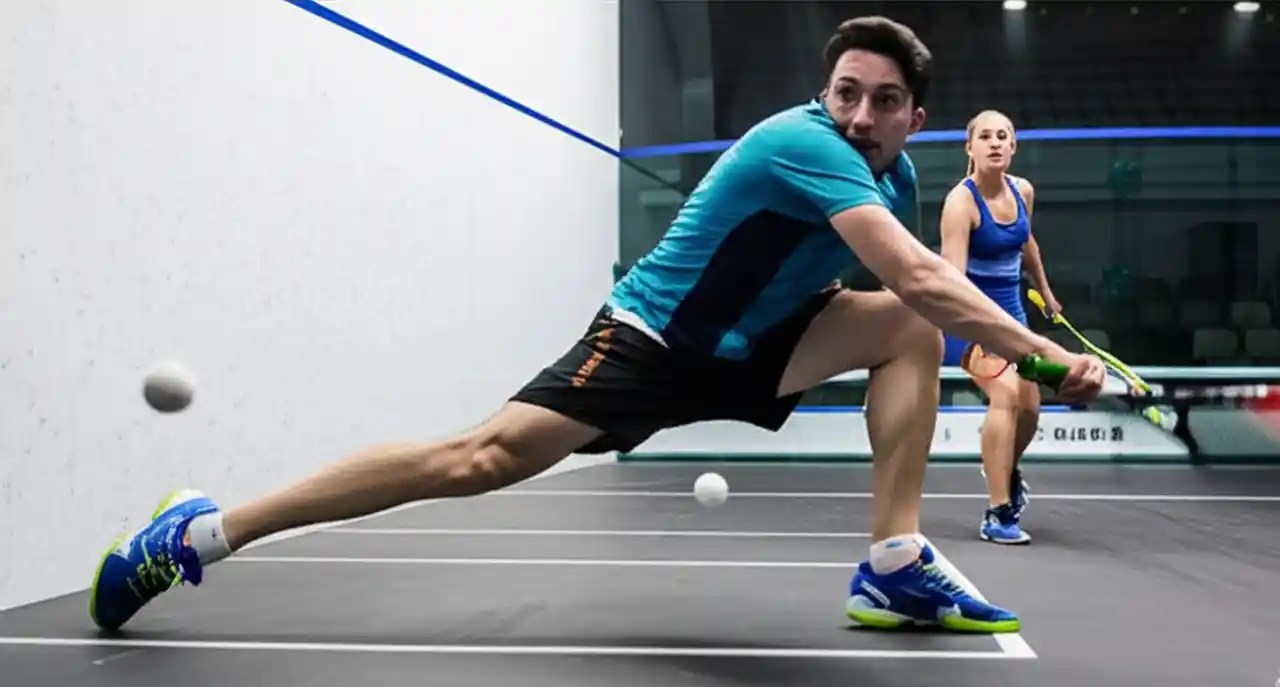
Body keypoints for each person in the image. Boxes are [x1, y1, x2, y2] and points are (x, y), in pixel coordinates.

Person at [90, 17, 1103, 635]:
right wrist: (1046, 356)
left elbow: (907, 299)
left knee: (902, 333)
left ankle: (890, 566)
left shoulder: (896, 170)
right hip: (652, 345)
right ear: (821, 92)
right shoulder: (802, 144)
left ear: (910, 117)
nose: (857, 113)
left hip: (758, 346)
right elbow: (920, 273)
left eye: (882, 101)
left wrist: (1003, 343)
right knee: (476, 459)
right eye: (844, 90)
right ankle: (203, 531)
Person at [940, 110, 1063, 545]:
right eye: (986, 137)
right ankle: (998, 512)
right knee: (1007, 394)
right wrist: (979, 332)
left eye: (1003, 137)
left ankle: (1004, 469)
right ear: (969, 148)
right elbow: (952, 281)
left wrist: (1045, 293)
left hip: (1015, 316)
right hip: (972, 322)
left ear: (1013, 148)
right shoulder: (960, 203)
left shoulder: (1022, 191)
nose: (995, 143)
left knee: (1030, 408)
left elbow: (1026, 243)